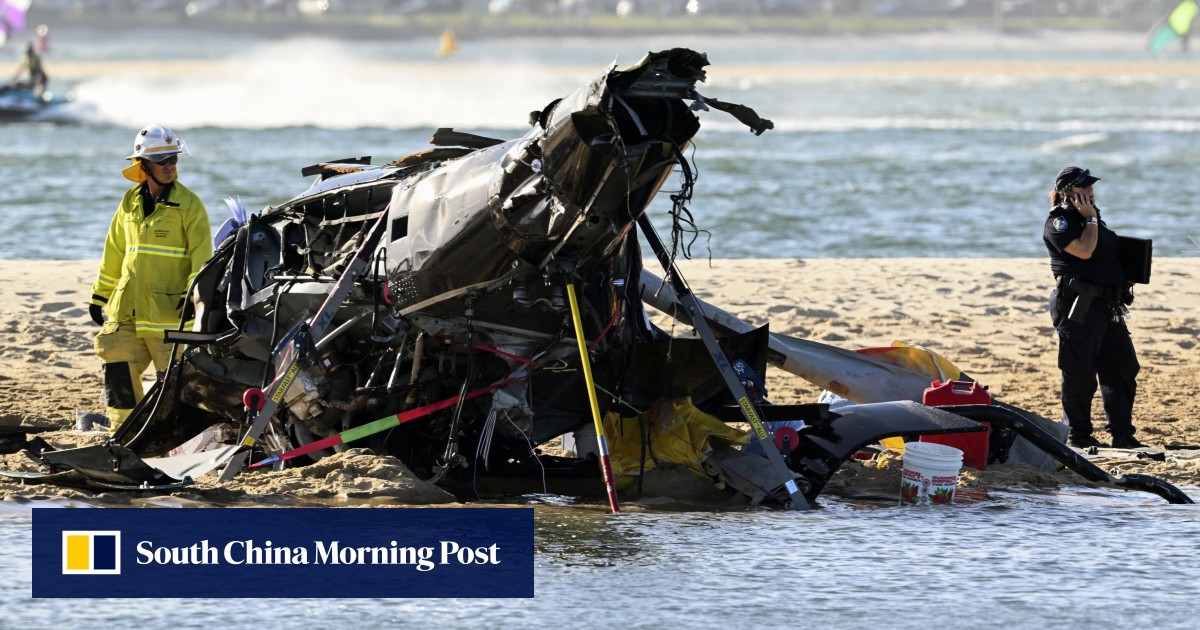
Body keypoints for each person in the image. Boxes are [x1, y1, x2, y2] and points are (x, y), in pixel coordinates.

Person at [88, 124, 212, 434]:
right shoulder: (129, 202)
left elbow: (202, 258)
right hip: (127, 311)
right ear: (144, 165)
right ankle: (123, 434)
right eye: (162, 160)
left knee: (178, 385)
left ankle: (176, 440)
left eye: (174, 159)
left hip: (168, 315)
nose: (170, 166)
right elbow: (115, 252)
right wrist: (100, 295)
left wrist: (193, 294)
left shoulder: (190, 205)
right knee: (117, 367)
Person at [1043, 166, 1142, 449]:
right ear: (1066, 192)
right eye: (1083, 188)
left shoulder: (1095, 220)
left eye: (1091, 187)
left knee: (1122, 367)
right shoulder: (1059, 222)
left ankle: (1122, 435)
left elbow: (1105, 256)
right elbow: (1085, 251)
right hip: (1078, 304)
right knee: (1079, 371)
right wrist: (1089, 219)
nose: (1089, 192)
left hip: (1108, 304)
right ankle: (1078, 434)